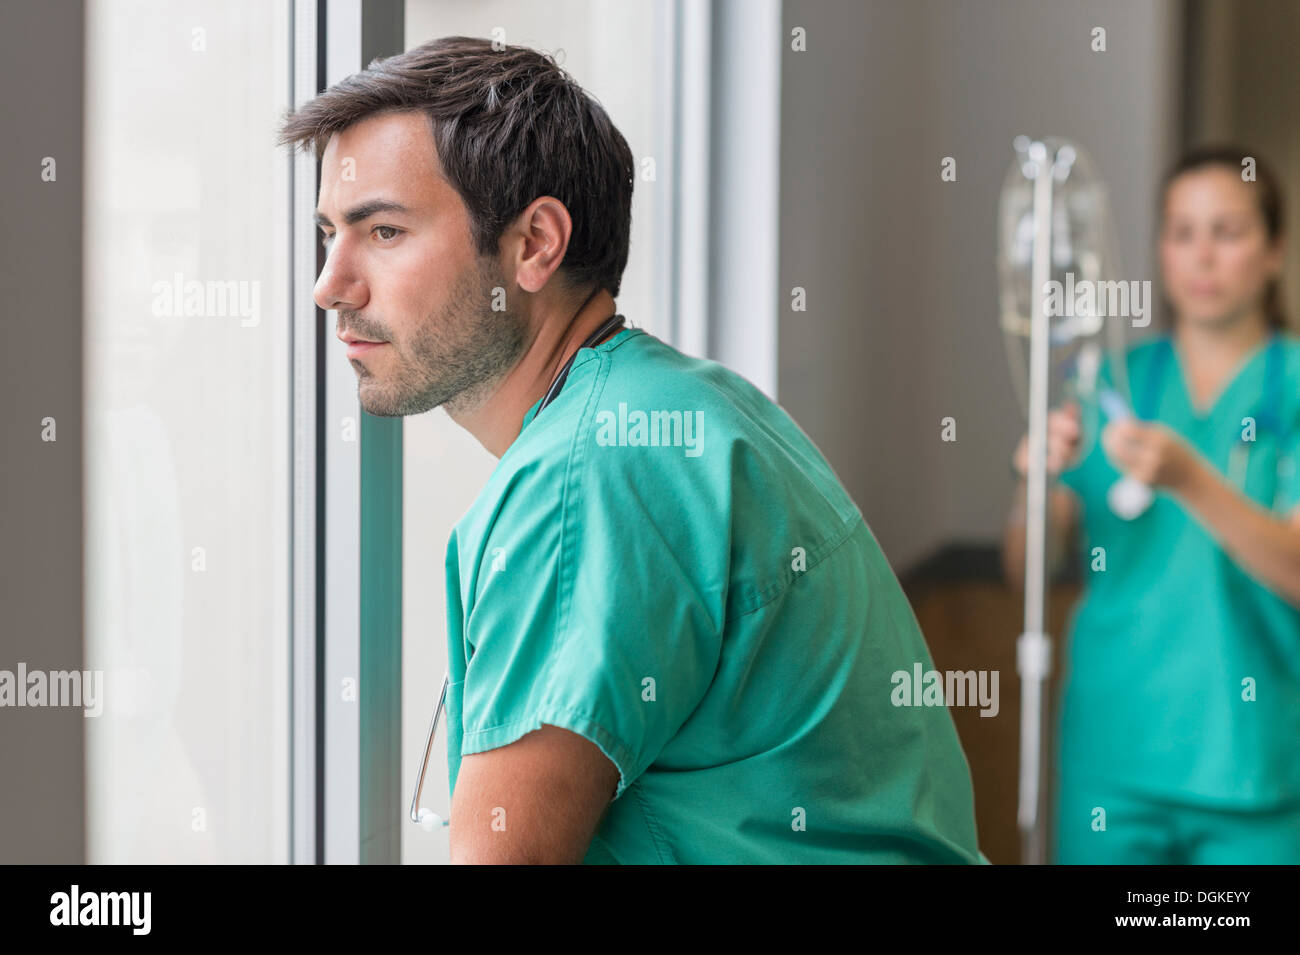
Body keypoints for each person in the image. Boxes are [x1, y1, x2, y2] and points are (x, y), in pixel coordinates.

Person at [279, 37, 986, 864]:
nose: (330, 283)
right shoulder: (681, 407)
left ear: (536, 243)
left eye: (385, 231)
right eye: (329, 234)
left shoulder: (587, 477)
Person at [1003, 145, 1300, 864]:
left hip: (1251, 765)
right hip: (1115, 755)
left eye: (1227, 232)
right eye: (1181, 232)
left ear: (1274, 253)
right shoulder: (1104, 385)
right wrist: (1035, 481)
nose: (1202, 256)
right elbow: (1025, 571)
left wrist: (1192, 480)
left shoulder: (1290, 386)